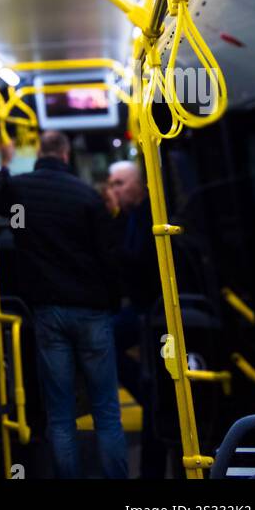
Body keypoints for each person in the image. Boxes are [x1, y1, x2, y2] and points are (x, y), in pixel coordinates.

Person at [0, 130, 128, 479]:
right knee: (106, 411)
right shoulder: (86, 196)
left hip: (48, 311)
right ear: (66, 155)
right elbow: (108, 256)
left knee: (60, 413)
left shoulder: (21, 189)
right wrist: (113, 302)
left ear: (40, 151)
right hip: (92, 310)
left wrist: (5, 163)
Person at [107, 160, 165, 479]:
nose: (113, 189)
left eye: (120, 184)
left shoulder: (149, 218)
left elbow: (138, 263)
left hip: (156, 310)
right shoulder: (127, 217)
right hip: (140, 308)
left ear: (140, 186)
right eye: (111, 184)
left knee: (157, 392)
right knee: (104, 342)